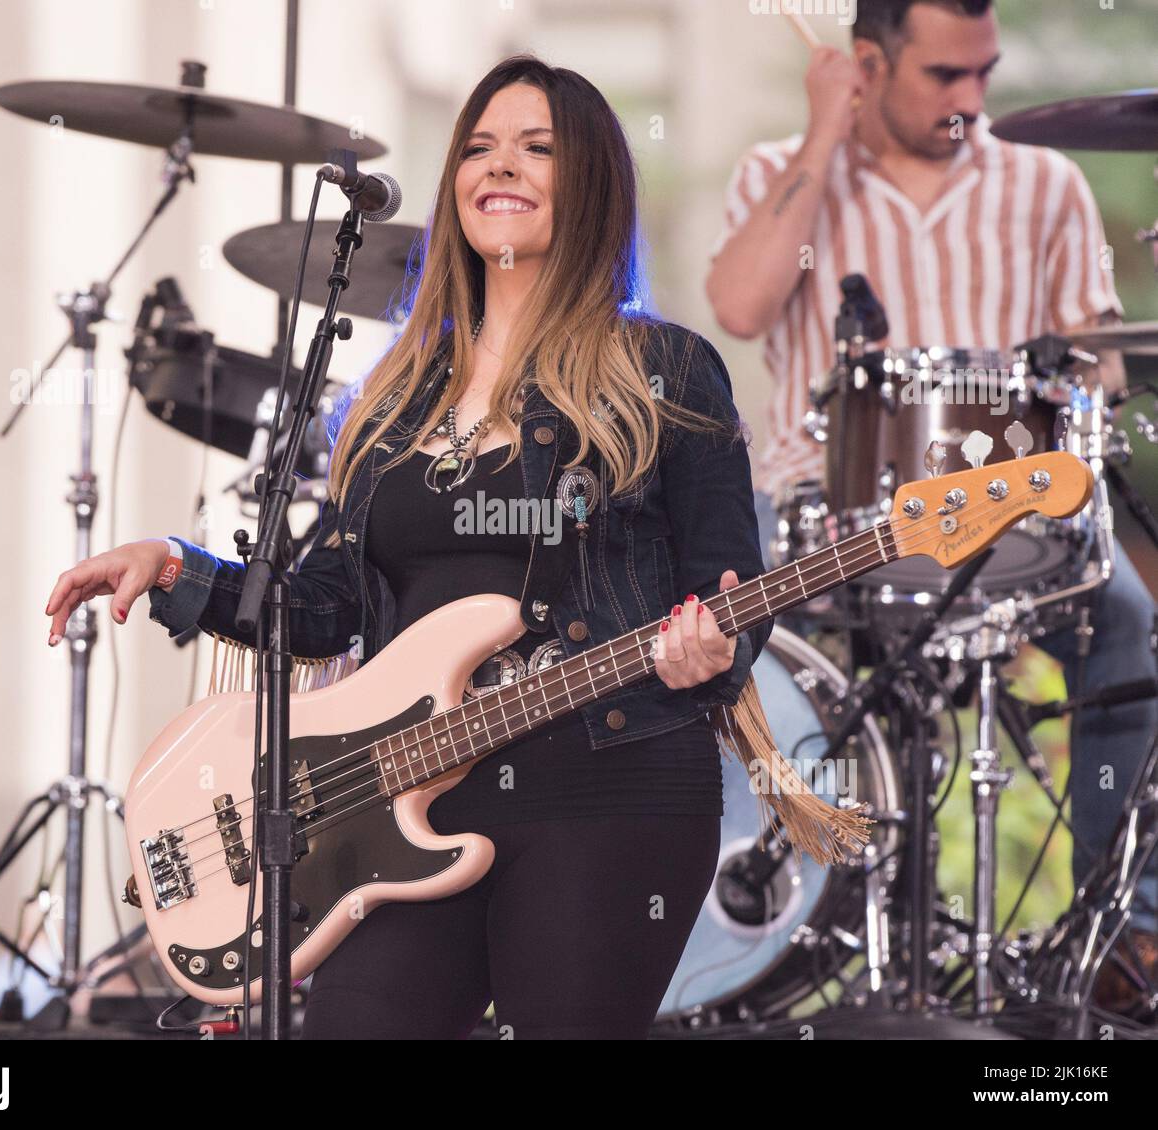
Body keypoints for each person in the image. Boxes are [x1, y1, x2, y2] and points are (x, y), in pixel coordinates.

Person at [45, 54, 772, 1039]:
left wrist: (709, 648)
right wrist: (179, 566)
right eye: (476, 147)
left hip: (609, 782)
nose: (496, 165)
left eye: (534, 148)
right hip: (403, 795)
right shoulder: (391, 399)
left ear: (593, 180)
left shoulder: (666, 368)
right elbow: (325, 605)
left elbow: (728, 582)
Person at [705, 0, 1158, 1009]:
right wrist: (826, 129)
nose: (972, 99)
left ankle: (1120, 938)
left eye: (982, 73)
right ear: (867, 62)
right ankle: (730, 960)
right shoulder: (779, 168)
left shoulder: (1047, 184)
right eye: (943, 77)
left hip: (1015, 519)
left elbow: (1103, 375)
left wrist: (1071, 387)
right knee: (706, 656)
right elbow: (736, 306)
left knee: (1130, 621)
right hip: (827, 520)